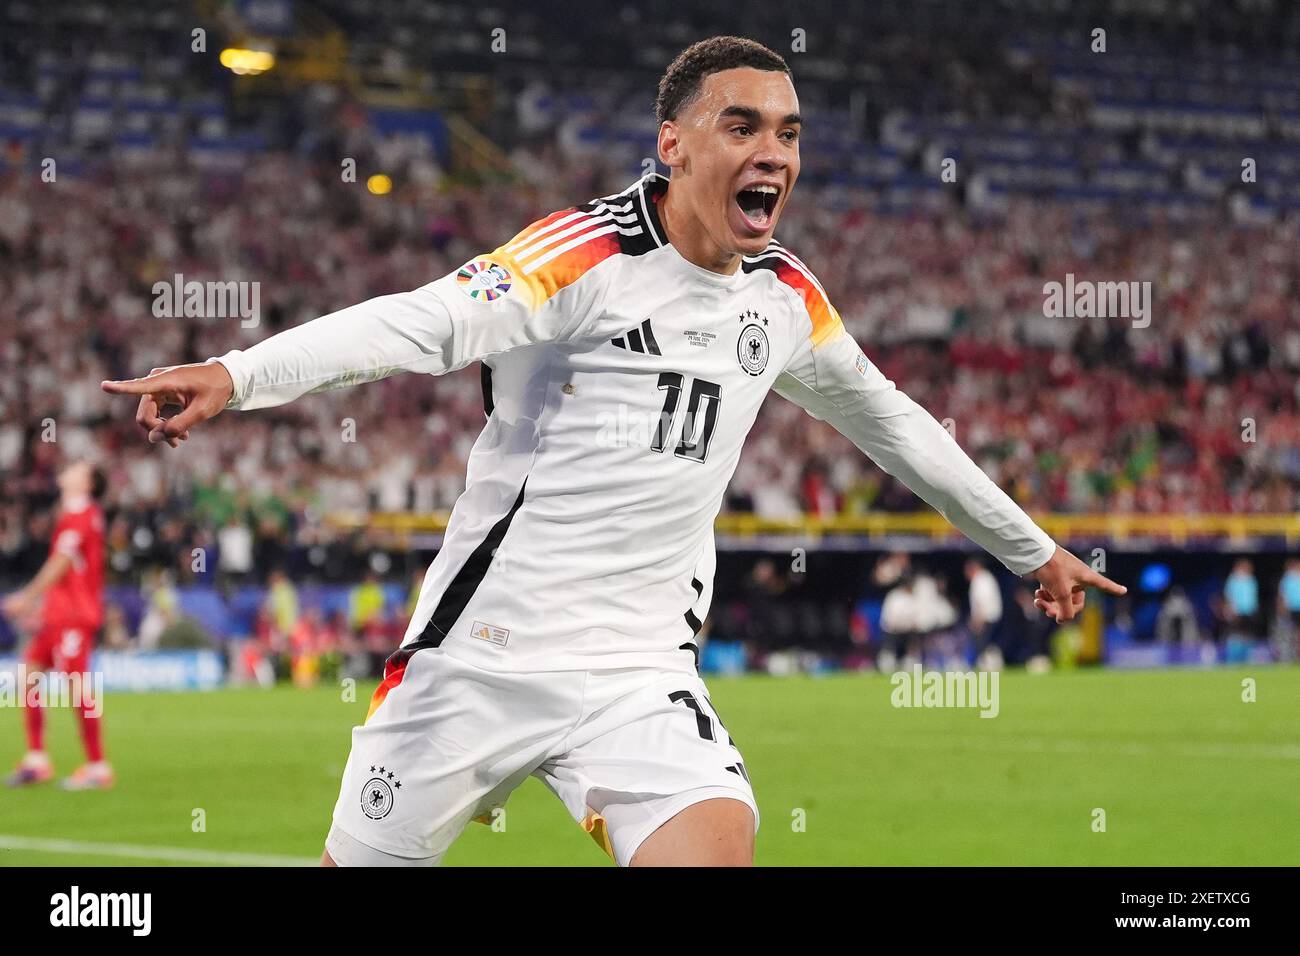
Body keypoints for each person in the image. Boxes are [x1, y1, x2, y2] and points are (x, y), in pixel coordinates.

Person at [102, 36, 1124, 867]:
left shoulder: (785, 295)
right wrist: (238, 374)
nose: (773, 151)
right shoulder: (584, 254)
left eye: (788, 132)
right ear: (672, 143)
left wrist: (1029, 546)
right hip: (482, 658)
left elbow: (892, 422)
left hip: (640, 672)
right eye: (743, 126)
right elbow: (421, 325)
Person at [2, 461, 113, 790]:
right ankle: (37, 759)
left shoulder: (82, 514)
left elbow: (62, 563)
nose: (69, 469)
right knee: (29, 676)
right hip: (58, 614)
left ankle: (97, 766)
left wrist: (27, 596)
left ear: (89, 483)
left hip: (75, 616)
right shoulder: (70, 513)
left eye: (79, 468)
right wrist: (42, 607)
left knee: (77, 687)